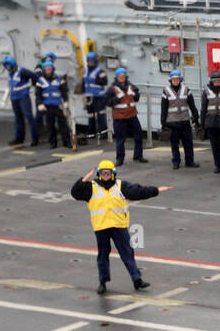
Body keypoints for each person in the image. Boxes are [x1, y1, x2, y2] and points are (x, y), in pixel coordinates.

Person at [70, 159, 169, 295]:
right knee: (103, 255)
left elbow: (139, 192)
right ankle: (103, 282)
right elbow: (75, 193)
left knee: (127, 253)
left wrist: (156, 190)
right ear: (99, 174)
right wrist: (83, 180)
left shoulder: (121, 186)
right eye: (103, 173)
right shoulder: (91, 187)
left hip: (119, 226)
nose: (106, 175)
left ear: (113, 174)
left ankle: (137, 280)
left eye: (108, 173)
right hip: (101, 227)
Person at [160, 69, 200, 170]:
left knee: (188, 143)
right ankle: (176, 162)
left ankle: (189, 161)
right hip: (172, 122)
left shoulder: (186, 89)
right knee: (174, 144)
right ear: (170, 80)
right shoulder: (166, 91)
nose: (175, 81)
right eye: (173, 79)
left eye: (177, 79)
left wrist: (196, 117)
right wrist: (163, 123)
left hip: (185, 120)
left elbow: (192, 105)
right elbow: (163, 108)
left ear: (180, 79)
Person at [108, 67, 148, 166]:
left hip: (132, 115)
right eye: (120, 76)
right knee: (120, 139)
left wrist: (135, 94)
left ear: (126, 77)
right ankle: (120, 159)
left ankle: (138, 155)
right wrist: (117, 98)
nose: (122, 78)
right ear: (117, 77)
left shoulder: (131, 86)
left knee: (139, 135)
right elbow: (108, 102)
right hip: (119, 118)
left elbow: (137, 96)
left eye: (123, 76)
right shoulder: (112, 89)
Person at [2, 56, 40, 146]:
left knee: (29, 116)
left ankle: (35, 138)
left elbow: (34, 76)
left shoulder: (22, 71)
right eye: (7, 67)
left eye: (9, 67)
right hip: (14, 98)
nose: (8, 69)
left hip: (23, 97)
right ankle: (19, 138)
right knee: (18, 118)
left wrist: (34, 85)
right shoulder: (10, 73)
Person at [35, 59, 72, 149]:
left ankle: (66, 142)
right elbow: (38, 94)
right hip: (47, 107)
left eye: (50, 69)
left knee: (63, 125)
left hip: (58, 106)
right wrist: (39, 104)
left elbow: (64, 92)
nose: (48, 71)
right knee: (50, 126)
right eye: (47, 69)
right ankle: (53, 143)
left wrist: (66, 102)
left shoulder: (59, 80)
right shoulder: (40, 81)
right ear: (44, 70)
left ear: (53, 70)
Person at [80, 51, 109, 144]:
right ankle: (91, 132)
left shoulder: (100, 71)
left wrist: (98, 80)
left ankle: (103, 133)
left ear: (95, 61)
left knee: (101, 115)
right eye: (89, 60)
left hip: (99, 96)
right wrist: (83, 94)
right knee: (90, 115)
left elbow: (105, 82)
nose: (90, 62)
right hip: (89, 97)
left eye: (92, 60)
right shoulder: (85, 71)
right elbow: (83, 83)